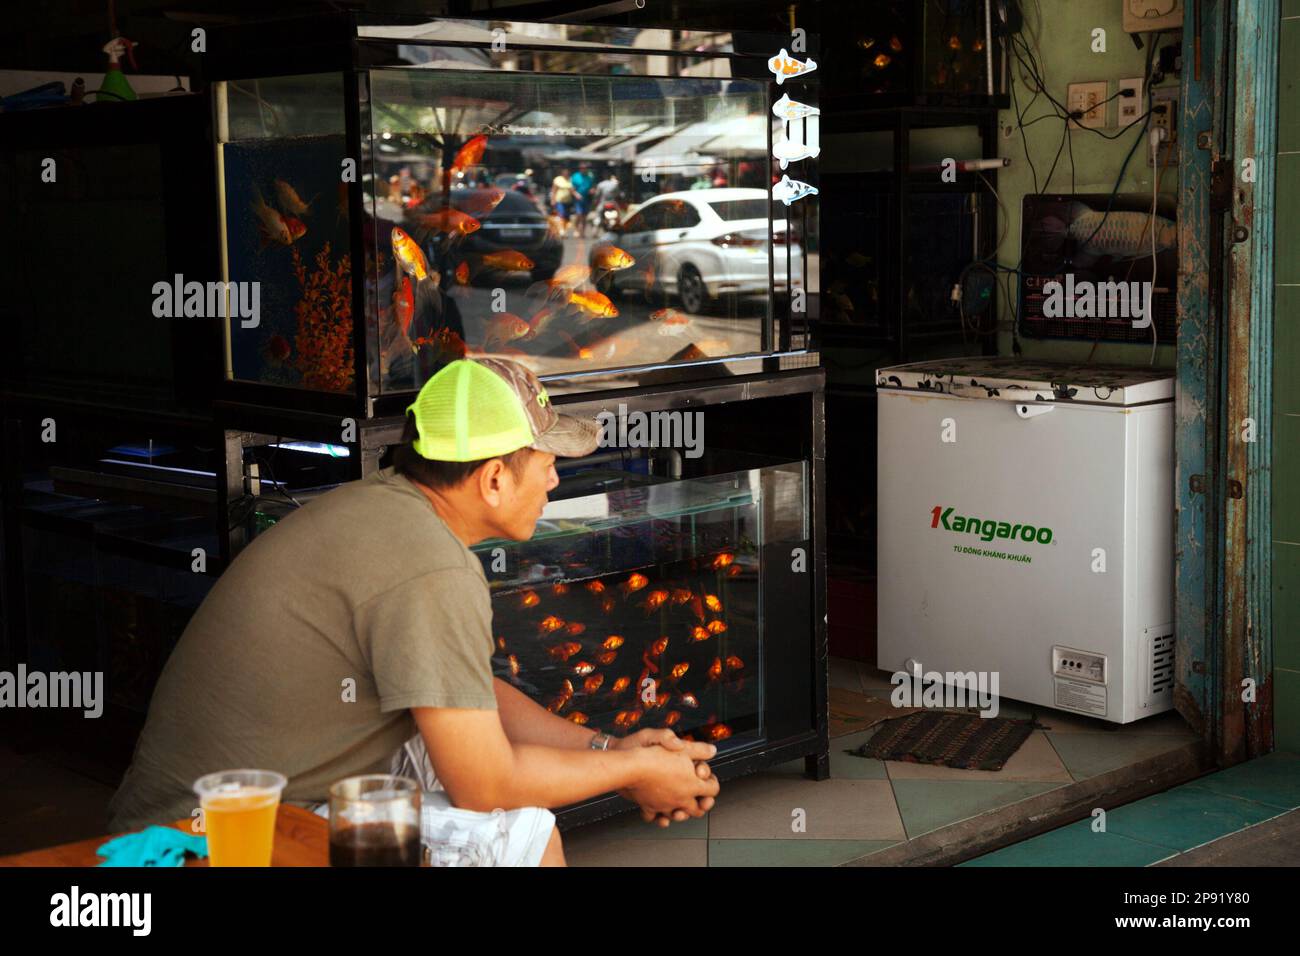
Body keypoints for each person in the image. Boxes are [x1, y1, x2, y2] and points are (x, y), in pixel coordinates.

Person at [107, 359, 720, 866]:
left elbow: (471, 698)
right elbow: (485, 786)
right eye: (547, 461)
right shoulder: (432, 566)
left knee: (447, 749)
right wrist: (635, 772)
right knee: (523, 842)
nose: (556, 480)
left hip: (194, 813)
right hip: (198, 845)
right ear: (495, 480)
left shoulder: (389, 508)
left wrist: (611, 749)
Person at [550, 169, 576, 237]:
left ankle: (564, 230)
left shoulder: (570, 180)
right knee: (561, 215)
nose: (566, 174)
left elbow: (572, 190)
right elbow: (554, 190)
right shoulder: (558, 179)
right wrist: (553, 200)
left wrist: (576, 195)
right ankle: (561, 231)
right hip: (559, 201)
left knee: (566, 217)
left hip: (568, 201)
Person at [569, 164, 593, 237]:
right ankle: (576, 229)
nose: (584, 170)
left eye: (585, 168)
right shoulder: (575, 176)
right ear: (580, 169)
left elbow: (592, 186)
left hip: (587, 199)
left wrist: (592, 190)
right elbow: (571, 189)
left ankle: (583, 231)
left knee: (585, 216)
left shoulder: (590, 176)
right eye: (582, 168)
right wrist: (576, 194)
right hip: (578, 199)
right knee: (579, 214)